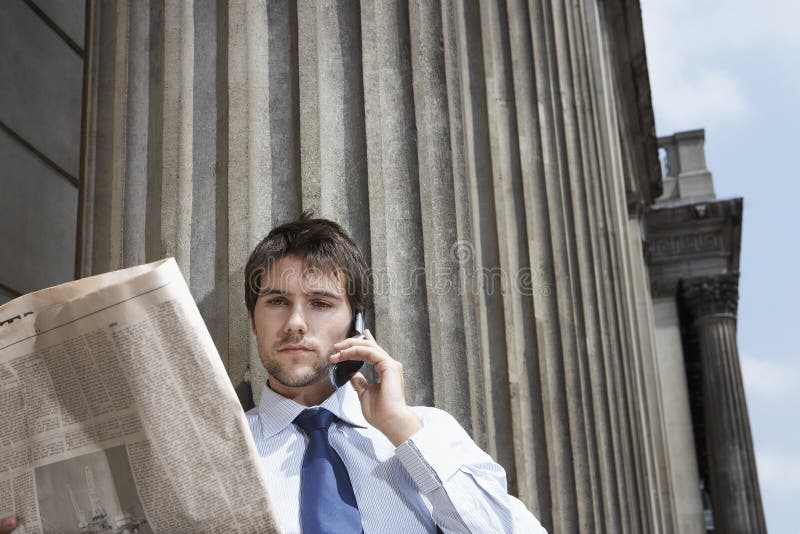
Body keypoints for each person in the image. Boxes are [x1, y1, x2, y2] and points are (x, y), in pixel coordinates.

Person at [1, 213, 547, 533]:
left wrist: (402, 429)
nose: (295, 324)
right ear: (253, 318)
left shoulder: (426, 434)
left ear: (357, 323)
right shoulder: (212, 454)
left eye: (321, 303)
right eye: (276, 302)